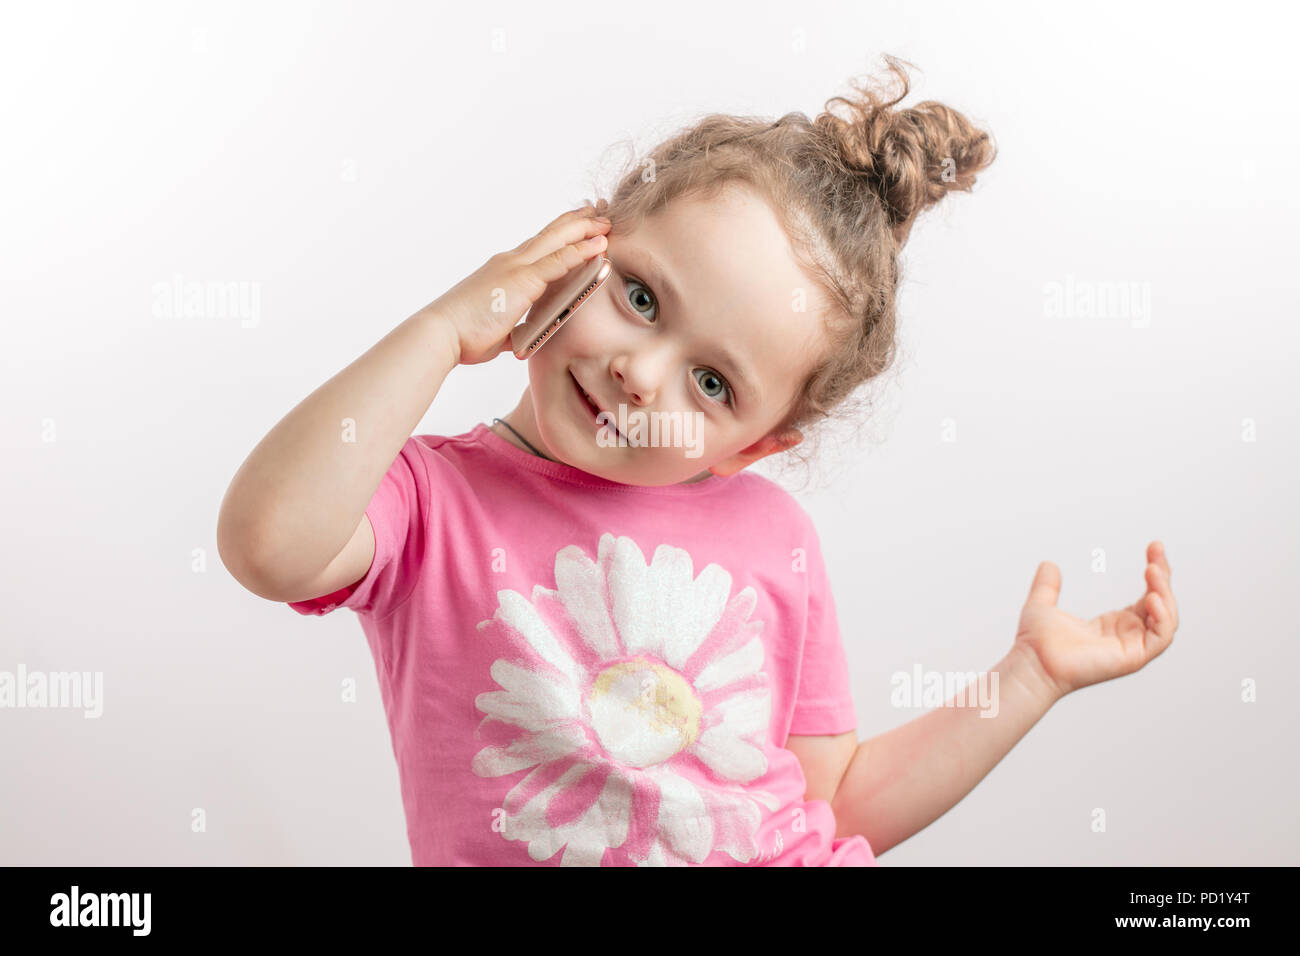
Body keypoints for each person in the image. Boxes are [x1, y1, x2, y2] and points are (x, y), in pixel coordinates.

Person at [216, 54, 1180, 866]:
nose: (642, 379)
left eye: (713, 385)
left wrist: (1031, 675)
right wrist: (441, 330)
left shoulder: (773, 535)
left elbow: (833, 800)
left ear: (756, 445)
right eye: (640, 297)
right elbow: (269, 544)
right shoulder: (429, 501)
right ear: (584, 238)